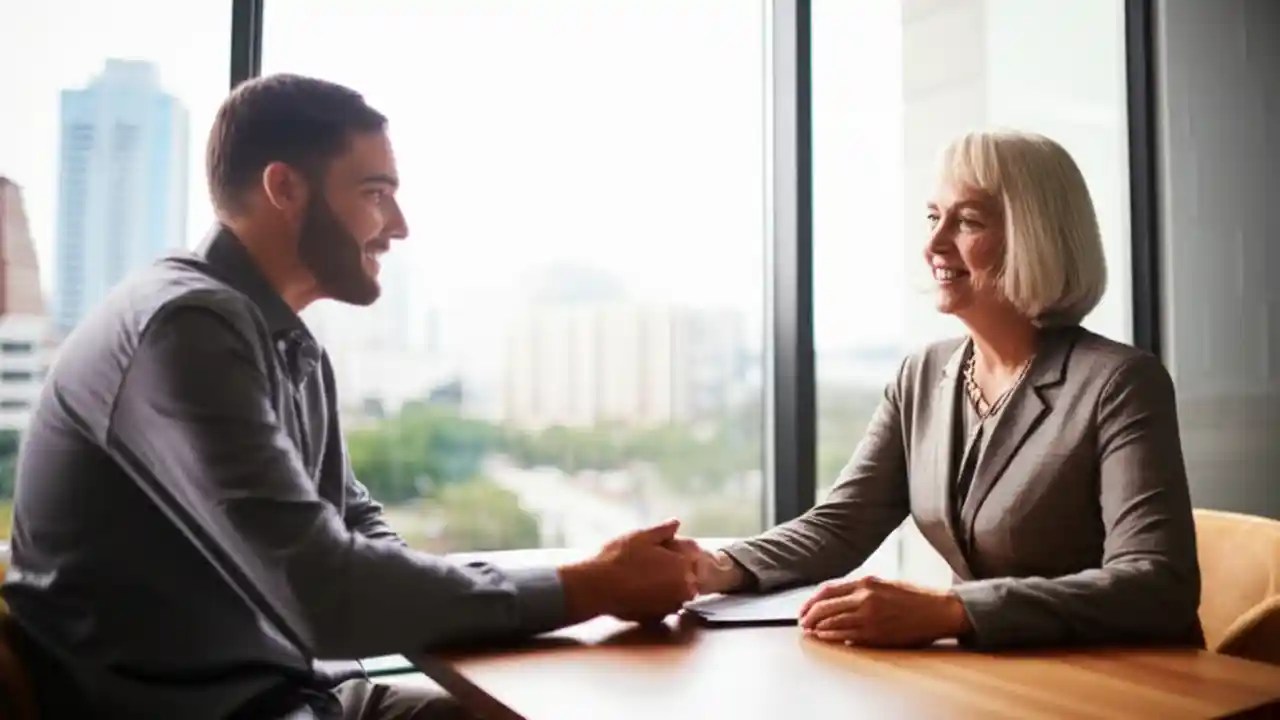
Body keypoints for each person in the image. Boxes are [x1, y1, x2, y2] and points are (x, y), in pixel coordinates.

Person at [0, 74, 696, 719]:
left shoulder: (287, 343)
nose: (397, 225)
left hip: (290, 690)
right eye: (374, 192)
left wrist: (437, 599)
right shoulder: (184, 327)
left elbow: (355, 525)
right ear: (286, 188)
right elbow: (320, 590)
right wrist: (590, 586)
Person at [680, 130, 1203, 650]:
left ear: (1035, 237)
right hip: (995, 677)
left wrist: (953, 610)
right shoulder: (922, 375)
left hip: (1124, 679)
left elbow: (1157, 584)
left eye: (969, 221)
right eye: (934, 218)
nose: (933, 244)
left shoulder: (1120, 383)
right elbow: (841, 526)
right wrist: (718, 567)